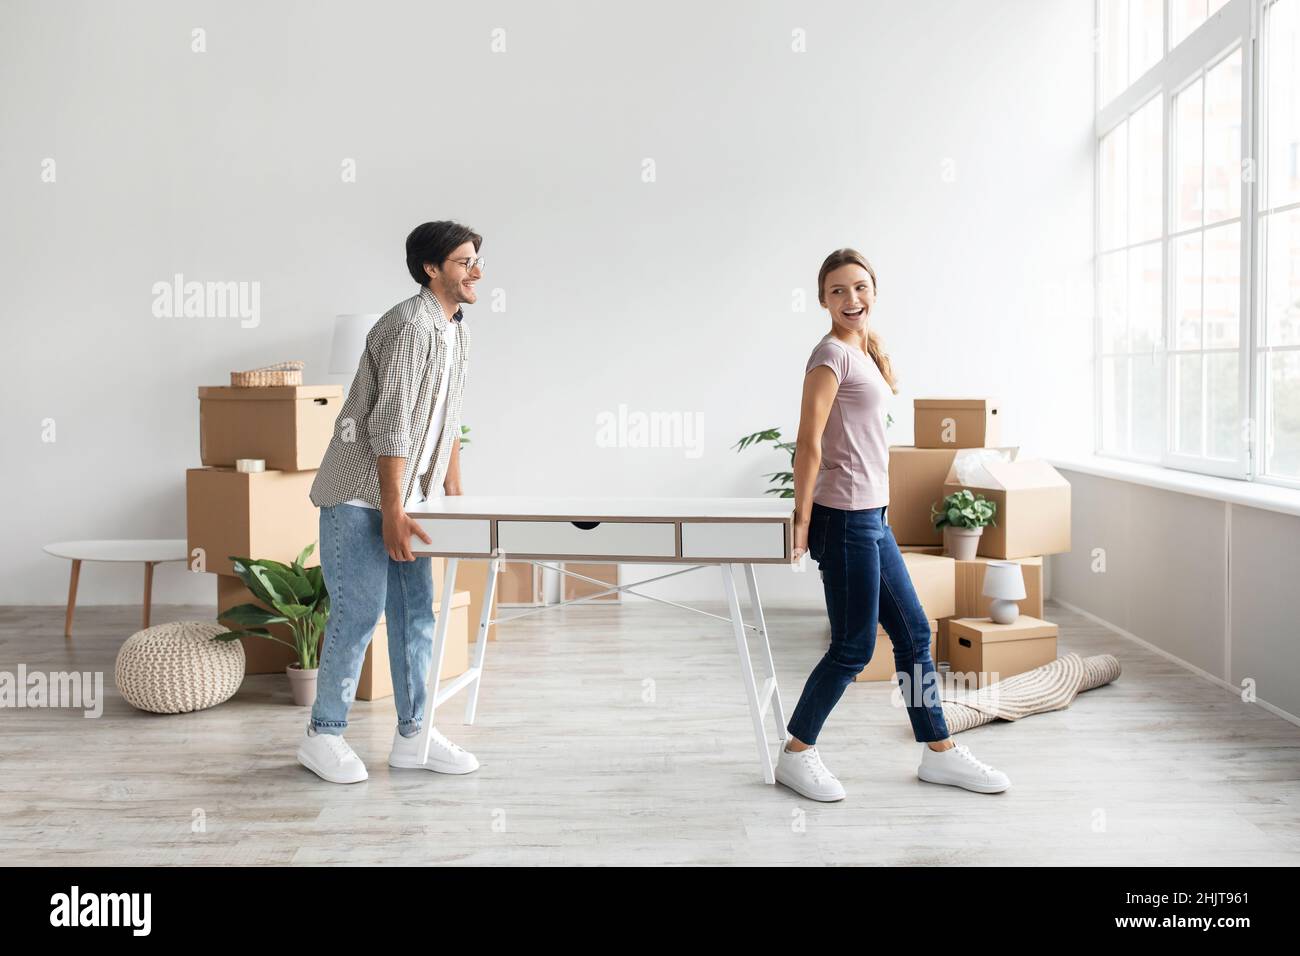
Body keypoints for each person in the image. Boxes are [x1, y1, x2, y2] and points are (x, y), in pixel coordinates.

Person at [777, 247, 1011, 801]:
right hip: (842, 519)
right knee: (854, 649)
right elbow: (808, 443)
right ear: (822, 300)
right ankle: (795, 754)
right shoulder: (828, 356)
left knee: (914, 635)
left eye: (859, 287)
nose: (851, 299)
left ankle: (939, 753)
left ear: (874, 290)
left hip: (871, 519)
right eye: (838, 291)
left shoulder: (865, 352)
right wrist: (802, 520)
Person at [295, 220, 484, 784]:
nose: (477, 272)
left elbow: (449, 419)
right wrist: (392, 512)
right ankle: (323, 735)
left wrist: (451, 494)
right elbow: (392, 425)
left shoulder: (458, 331)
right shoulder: (406, 325)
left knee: (415, 616)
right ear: (432, 269)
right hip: (361, 495)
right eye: (463, 262)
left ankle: (414, 736)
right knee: (358, 613)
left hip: (411, 498)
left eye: (477, 260)